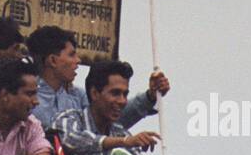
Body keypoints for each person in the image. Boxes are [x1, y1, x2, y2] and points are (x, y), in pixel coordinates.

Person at [52, 61, 164, 155]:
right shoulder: (70, 119)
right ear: (94, 93)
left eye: (125, 94)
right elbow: (71, 139)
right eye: (115, 93)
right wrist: (123, 141)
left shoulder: (119, 132)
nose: (122, 101)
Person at [27, 25, 169, 130]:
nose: (78, 60)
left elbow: (107, 119)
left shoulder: (77, 96)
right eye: (71, 55)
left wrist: (149, 97)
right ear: (52, 60)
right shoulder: (27, 96)